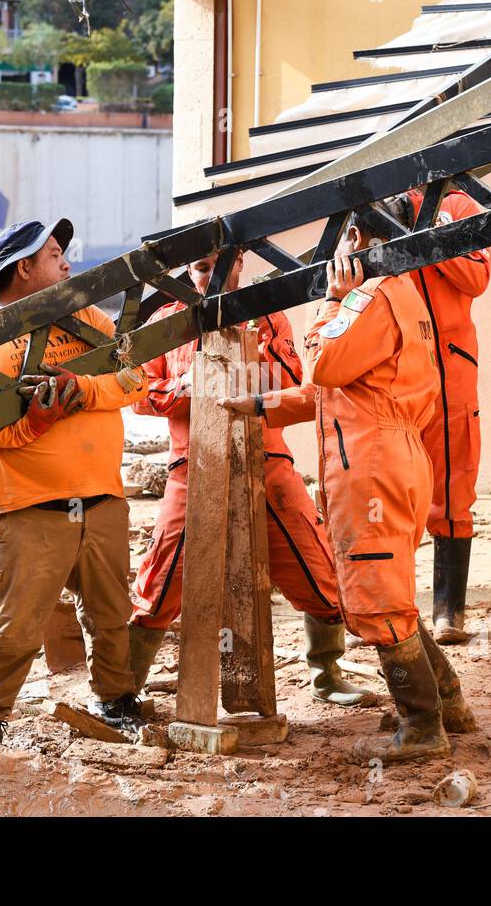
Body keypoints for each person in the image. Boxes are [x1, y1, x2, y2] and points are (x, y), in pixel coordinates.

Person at [222, 201, 476, 762]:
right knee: (391, 595)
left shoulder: (369, 297)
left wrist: (334, 300)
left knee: (376, 600)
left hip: (370, 465)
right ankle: (448, 702)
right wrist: (261, 405)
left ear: (355, 237)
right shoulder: (404, 293)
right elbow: (334, 391)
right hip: (395, 457)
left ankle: (422, 728)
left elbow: (323, 365)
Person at [128, 252, 373, 707]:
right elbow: (138, 391)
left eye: (220, 265)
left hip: (266, 457)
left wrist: (246, 366)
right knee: (160, 581)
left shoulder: (267, 311)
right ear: (189, 269)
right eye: (200, 267)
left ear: (240, 260)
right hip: (194, 462)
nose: (211, 276)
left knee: (318, 568)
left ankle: (326, 673)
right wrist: (180, 388)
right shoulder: (167, 320)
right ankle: (123, 688)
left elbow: (295, 377)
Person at [0, 218, 150, 741]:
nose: (67, 263)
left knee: (110, 613)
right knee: (12, 624)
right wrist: (29, 425)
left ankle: (116, 701)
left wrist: (84, 390)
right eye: (55, 253)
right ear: (24, 268)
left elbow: (136, 379)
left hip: (101, 499)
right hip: (26, 507)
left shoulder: (89, 320)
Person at [404, 187, 491, 645]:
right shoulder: (377, 203)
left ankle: (448, 611)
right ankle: (389, 611)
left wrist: (428, 235)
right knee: (391, 491)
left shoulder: (459, 206)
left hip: (452, 367)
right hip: (397, 367)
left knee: (454, 484)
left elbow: (477, 275)